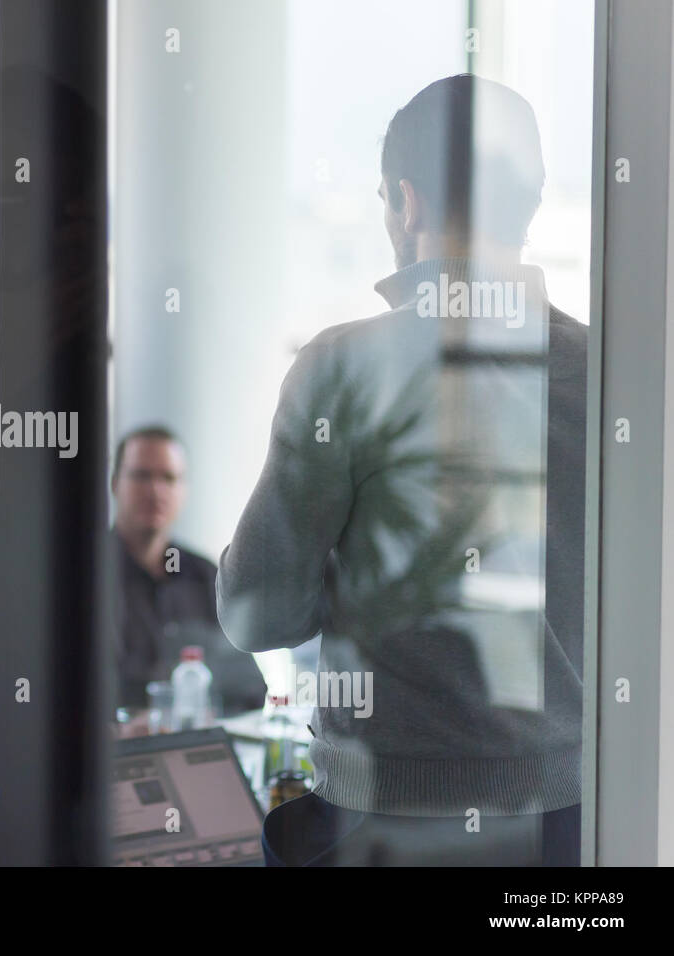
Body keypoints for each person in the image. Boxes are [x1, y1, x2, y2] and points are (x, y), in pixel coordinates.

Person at [216, 74, 586, 865]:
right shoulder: (609, 371)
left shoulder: (345, 367)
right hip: (571, 825)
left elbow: (256, 613)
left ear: (405, 203)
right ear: (529, 204)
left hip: (387, 824)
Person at [111, 426, 266, 714]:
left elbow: (250, 692)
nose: (155, 490)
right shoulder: (84, 576)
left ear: (184, 491)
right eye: (142, 475)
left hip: (194, 749)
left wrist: (203, 715)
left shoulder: (207, 577)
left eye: (168, 478)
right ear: (114, 483)